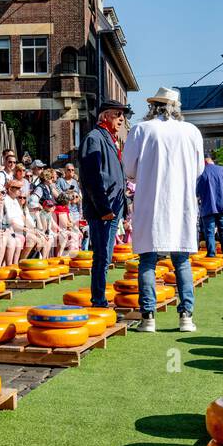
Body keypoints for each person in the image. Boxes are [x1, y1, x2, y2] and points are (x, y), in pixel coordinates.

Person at [122, 87, 203, 333]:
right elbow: (198, 169)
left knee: (147, 260)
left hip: (151, 202)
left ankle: (148, 318)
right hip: (181, 203)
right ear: (176, 108)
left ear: (153, 107)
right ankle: (186, 317)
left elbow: (129, 170)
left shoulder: (141, 129)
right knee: (182, 261)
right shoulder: (191, 131)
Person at [80, 101, 130, 309]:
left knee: (105, 256)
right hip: (103, 209)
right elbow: (91, 177)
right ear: (104, 116)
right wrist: (104, 209)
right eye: (118, 114)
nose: (122, 118)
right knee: (101, 256)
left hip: (112, 206)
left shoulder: (109, 138)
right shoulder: (94, 138)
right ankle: (98, 300)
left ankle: (100, 298)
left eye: (123, 115)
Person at [196, 153, 223, 264]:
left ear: (204, 161)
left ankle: (212, 256)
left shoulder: (201, 173)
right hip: (222, 206)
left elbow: (197, 192)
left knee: (209, 233)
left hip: (208, 207)